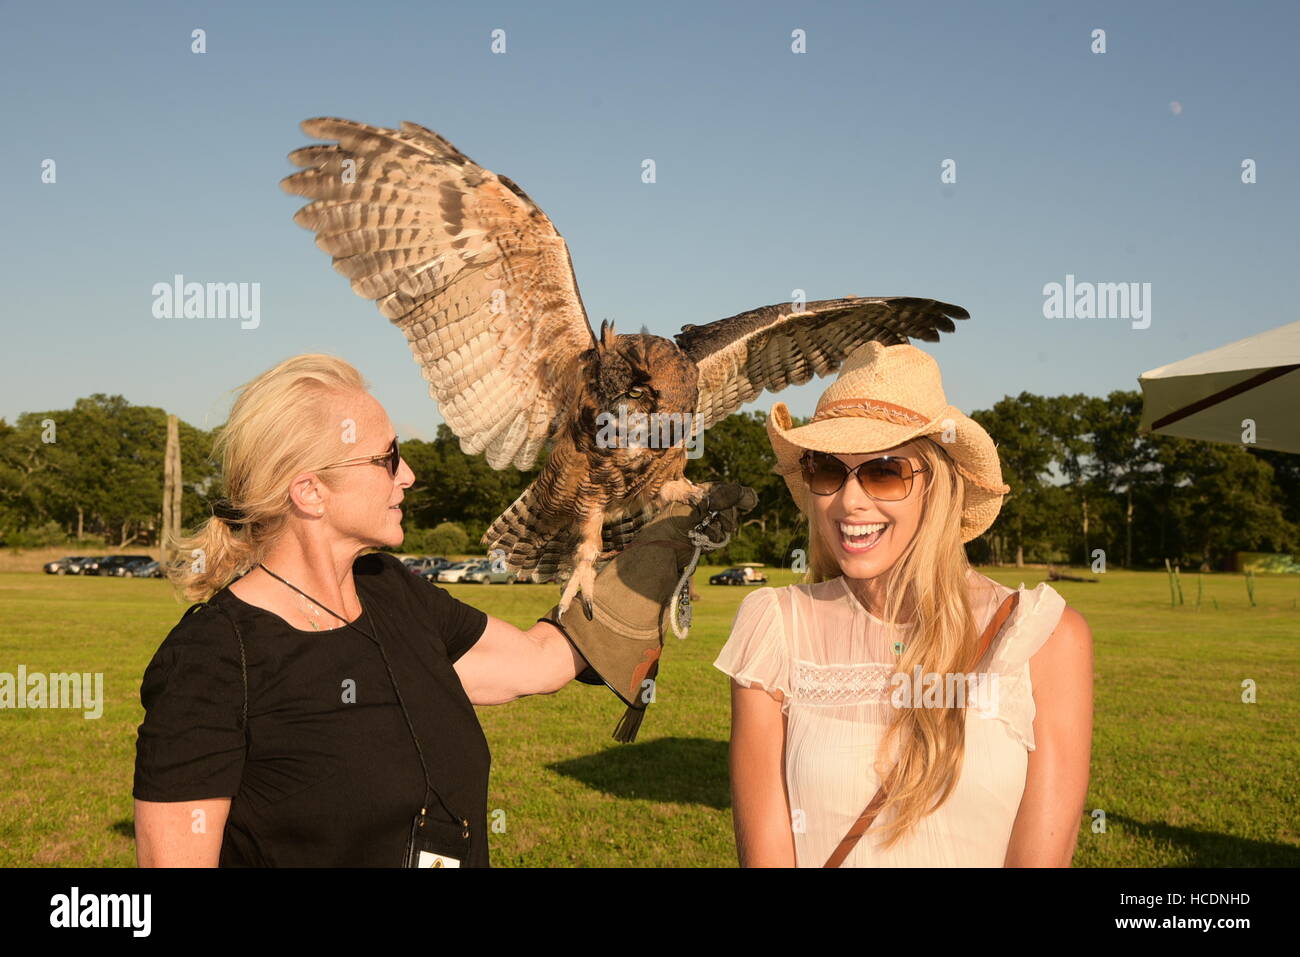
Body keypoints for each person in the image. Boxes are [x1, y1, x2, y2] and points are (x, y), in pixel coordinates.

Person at [132, 353, 753, 867]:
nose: (408, 474)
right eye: (386, 458)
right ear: (309, 491)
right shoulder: (211, 661)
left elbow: (535, 663)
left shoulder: (390, 591)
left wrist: (662, 546)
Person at [713, 341, 1093, 867]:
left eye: (884, 472)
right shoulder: (773, 627)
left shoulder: (1044, 637)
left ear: (936, 488)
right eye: (827, 469)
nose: (849, 501)